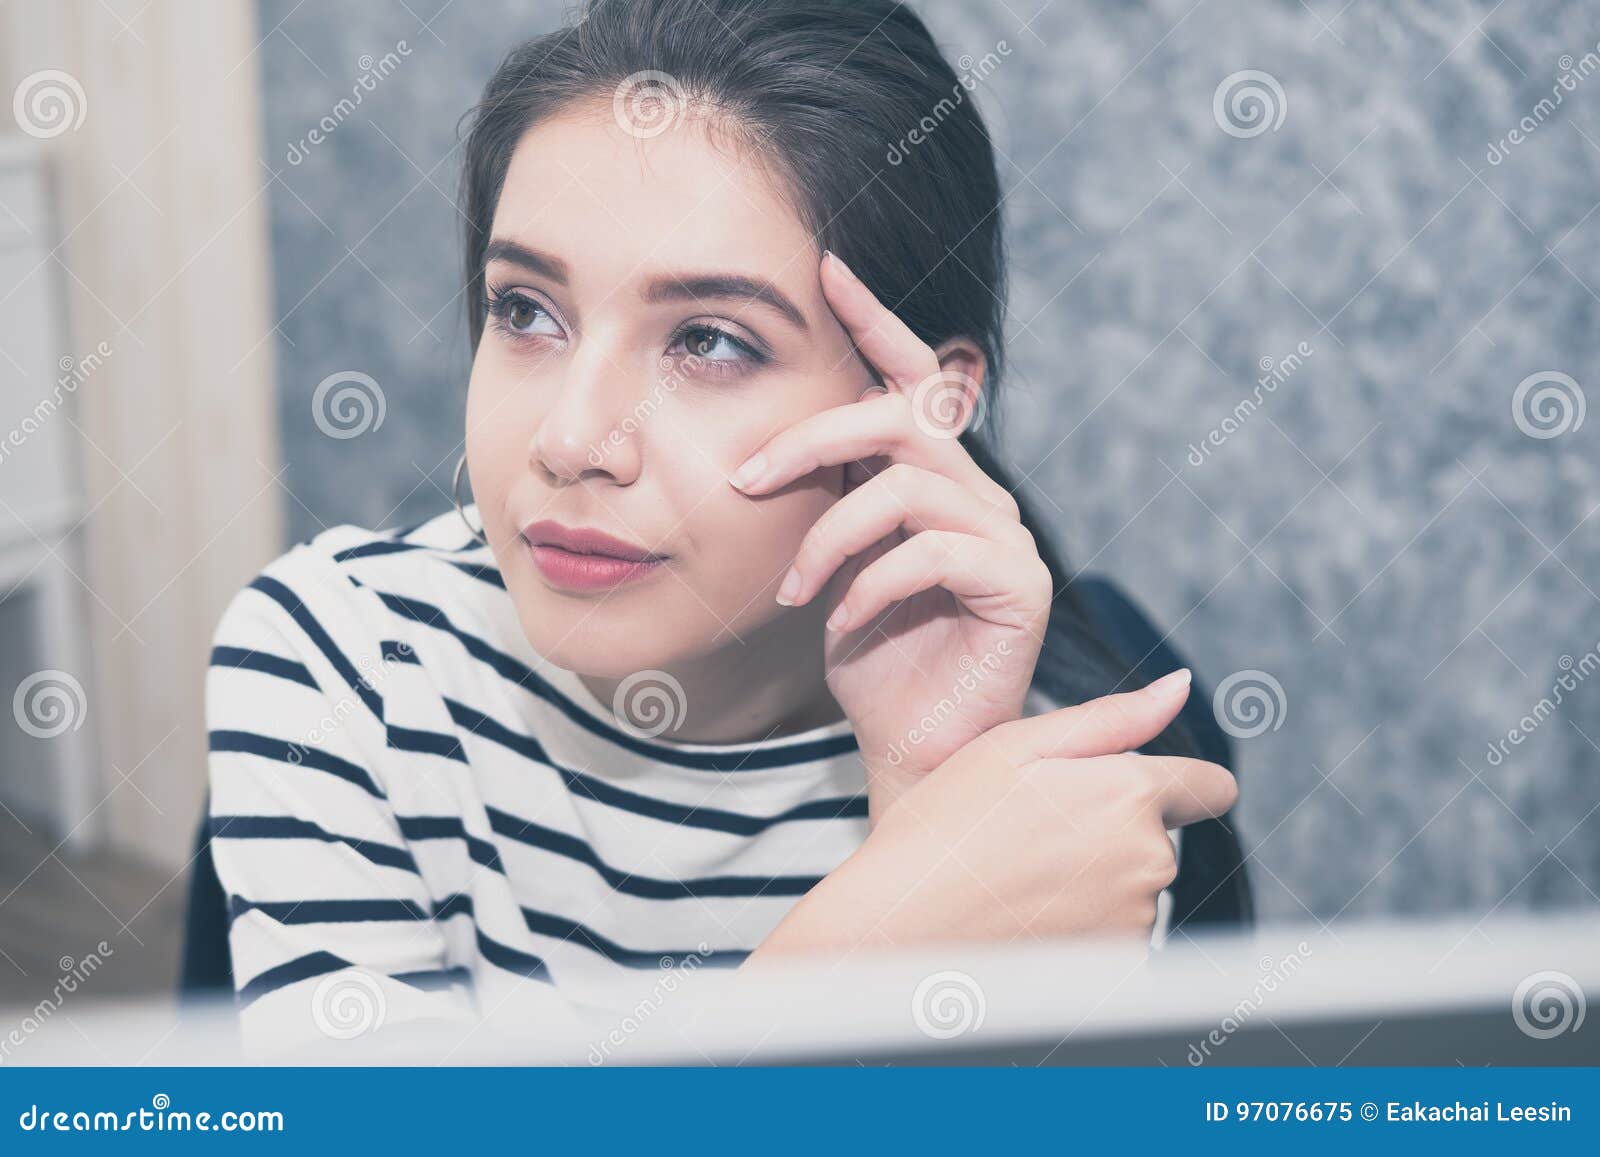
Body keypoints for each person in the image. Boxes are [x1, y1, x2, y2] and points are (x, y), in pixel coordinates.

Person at [205, 0, 1245, 1052]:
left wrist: (927, 799)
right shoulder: (342, 662)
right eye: (525, 310)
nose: (572, 441)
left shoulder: (1059, 792)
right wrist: (859, 953)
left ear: (923, 399)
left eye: (708, 339)